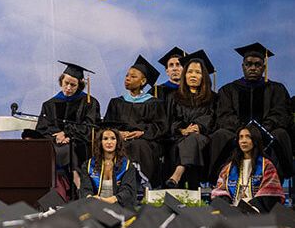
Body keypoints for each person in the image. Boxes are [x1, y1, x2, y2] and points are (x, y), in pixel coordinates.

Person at [210, 42, 292, 181]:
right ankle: (221, 182)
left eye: (257, 64)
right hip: (237, 133)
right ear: (243, 67)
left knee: (280, 134)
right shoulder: (228, 90)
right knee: (220, 135)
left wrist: (261, 130)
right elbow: (224, 116)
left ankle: (275, 182)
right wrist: (244, 131)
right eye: (249, 64)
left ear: (264, 68)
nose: (253, 68)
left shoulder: (276, 89)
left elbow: (281, 114)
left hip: (267, 132)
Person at [103, 55, 166, 185]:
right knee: (121, 145)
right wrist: (117, 134)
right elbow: (107, 125)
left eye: (133, 76)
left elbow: (161, 126)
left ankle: (141, 183)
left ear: (143, 82)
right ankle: (117, 183)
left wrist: (142, 132)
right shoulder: (116, 102)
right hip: (120, 139)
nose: (128, 78)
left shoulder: (154, 103)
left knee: (138, 145)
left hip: (145, 141)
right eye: (127, 75)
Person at [35, 61, 100, 188]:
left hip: (79, 141)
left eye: (73, 85)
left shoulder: (89, 103)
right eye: (66, 83)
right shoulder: (49, 104)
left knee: (71, 149)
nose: (68, 88)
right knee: (60, 149)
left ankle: (77, 187)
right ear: (61, 81)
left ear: (80, 85)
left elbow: (90, 127)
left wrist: (68, 134)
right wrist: (57, 137)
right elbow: (42, 128)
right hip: (55, 142)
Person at [164, 50, 216, 189]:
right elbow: (169, 120)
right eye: (190, 72)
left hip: (203, 141)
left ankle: (177, 173)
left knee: (194, 138)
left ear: (204, 76)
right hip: (179, 138)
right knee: (188, 141)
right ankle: (191, 185)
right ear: (185, 75)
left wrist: (199, 127)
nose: (193, 75)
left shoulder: (213, 98)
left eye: (198, 72)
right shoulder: (173, 97)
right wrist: (181, 129)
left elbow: (213, 119)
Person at [211, 124, 285, 213]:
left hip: (256, 212)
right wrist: (227, 206)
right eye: (241, 137)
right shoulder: (229, 167)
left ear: (255, 140)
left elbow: (270, 192)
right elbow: (220, 191)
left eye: (248, 137)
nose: (243, 141)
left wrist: (251, 206)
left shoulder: (266, 165)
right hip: (233, 211)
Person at [78, 126, 140, 209]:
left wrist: (109, 200)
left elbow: (128, 191)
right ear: (100, 142)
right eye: (105, 138)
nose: (109, 142)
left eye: (113, 138)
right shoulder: (88, 165)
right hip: (95, 207)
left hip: (119, 208)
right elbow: (85, 189)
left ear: (117, 142)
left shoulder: (127, 166)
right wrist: (90, 198)